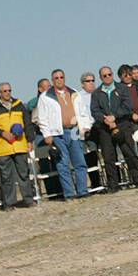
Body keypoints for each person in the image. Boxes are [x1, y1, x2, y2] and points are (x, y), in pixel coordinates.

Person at [36, 69, 90, 200]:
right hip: (58, 133)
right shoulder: (46, 97)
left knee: (80, 162)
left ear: (64, 78)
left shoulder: (74, 93)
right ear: (53, 80)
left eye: (61, 77)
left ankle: (82, 191)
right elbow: (42, 118)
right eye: (56, 78)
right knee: (63, 164)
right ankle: (69, 193)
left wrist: (85, 127)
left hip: (74, 131)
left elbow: (83, 112)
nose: (59, 80)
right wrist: (47, 134)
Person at [0, 82, 36, 209]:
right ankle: (9, 203)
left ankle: (28, 200)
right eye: (5, 91)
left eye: (9, 90)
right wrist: (2, 133)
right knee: (6, 177)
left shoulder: (19, 105)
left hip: (20, 146)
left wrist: (29, 140)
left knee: (24, 174)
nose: (8, 93)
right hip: (3, 149)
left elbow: (28, 123)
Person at [89, 65, 137, 193]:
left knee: (129, 152)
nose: (107, 77)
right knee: (109, 157)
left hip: (122, 125)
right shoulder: (96, 93)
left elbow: (127, 106)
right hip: (105, 128)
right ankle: (113, 184)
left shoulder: (122, 89)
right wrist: (105, 119)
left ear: (112, 75)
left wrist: (114, 117)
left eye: (109, 74)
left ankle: (136, 179)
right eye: (104, 75)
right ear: (100, 77)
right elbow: (94, 111)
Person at [110, 63, 138, 188]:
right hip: (129, 122)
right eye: (124, 75)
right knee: (131, 150)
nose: (128, 76)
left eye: (129, 74)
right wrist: (131, 114)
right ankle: (136, 177)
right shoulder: (118, 90)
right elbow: (121, 106)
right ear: (120, 77)